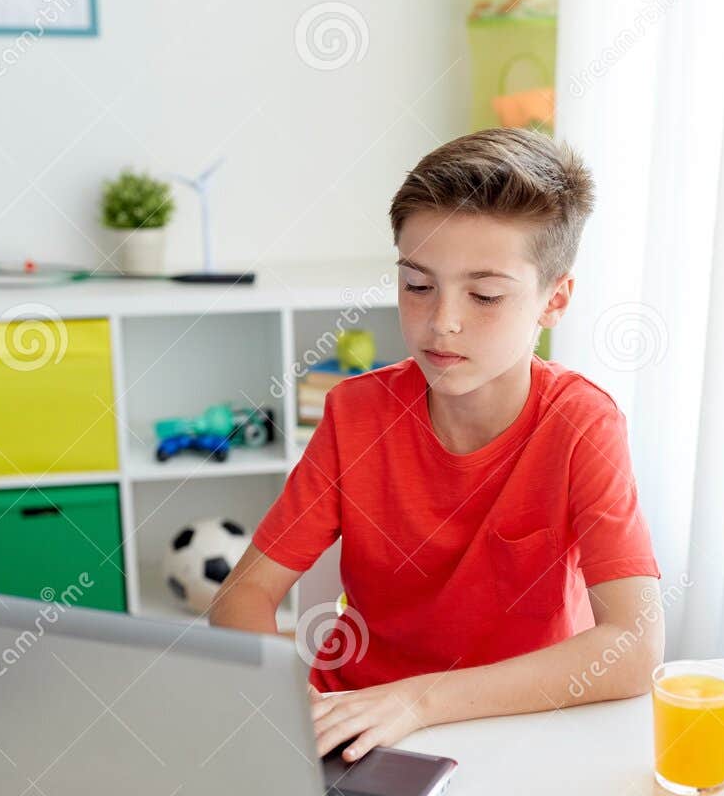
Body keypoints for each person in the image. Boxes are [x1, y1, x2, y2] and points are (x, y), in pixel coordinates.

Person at [211, 127, 663, 761]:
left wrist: (417, 701)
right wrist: (295, 704)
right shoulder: (356, 414)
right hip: (360, 734)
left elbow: (634, 647)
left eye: (484, 295)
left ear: (554, 299)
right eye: (418, 285)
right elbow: (242, 597)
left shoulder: (581, 423)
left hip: (516, 731)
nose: (441, 321)